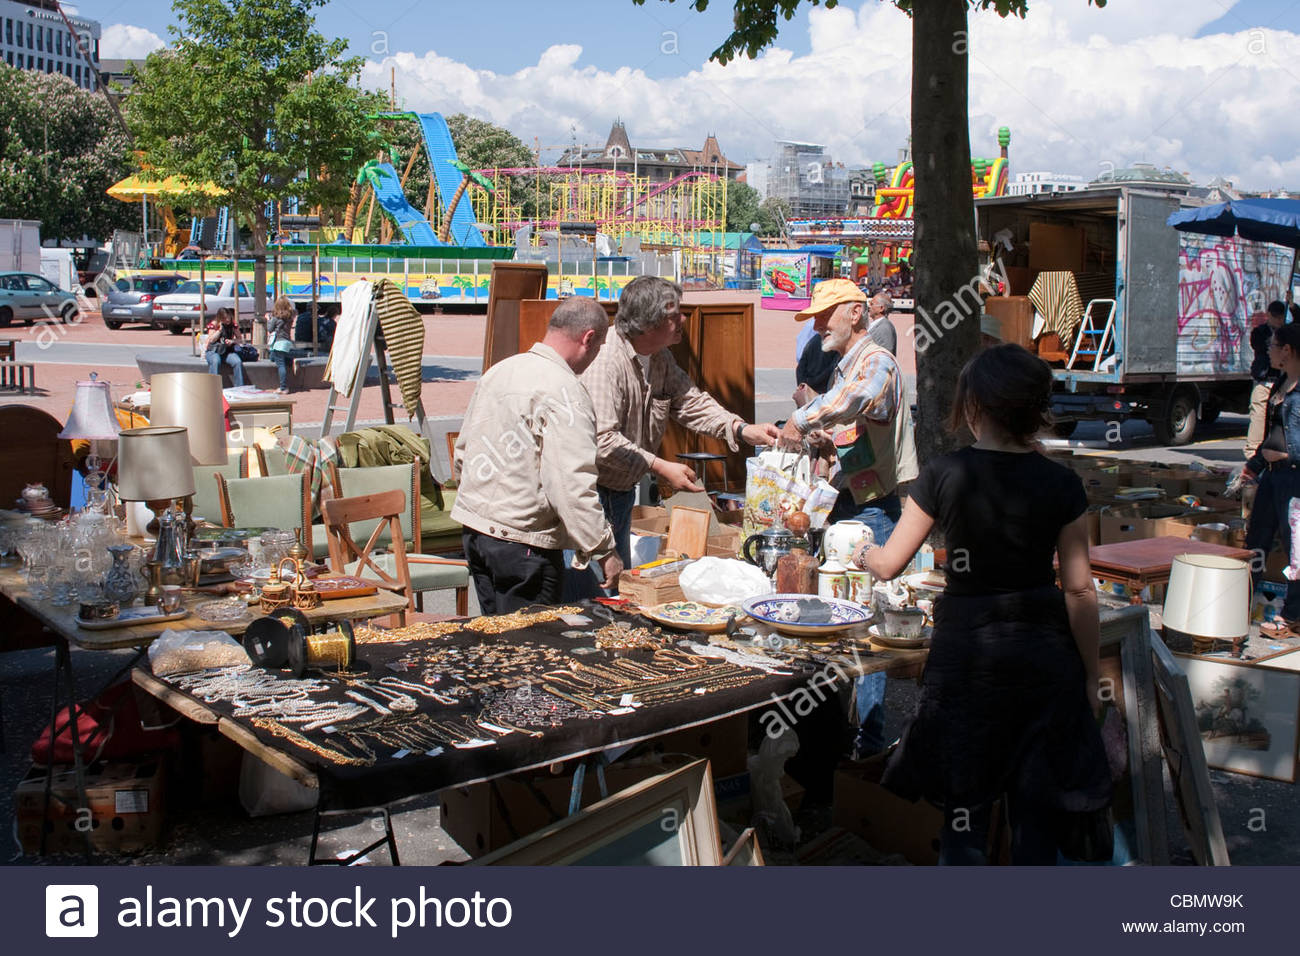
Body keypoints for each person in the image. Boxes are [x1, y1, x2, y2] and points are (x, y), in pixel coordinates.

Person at [852, 344, 1111, 864]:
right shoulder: (1061, 482)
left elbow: (888, 565)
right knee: (1036, 816)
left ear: (974, 407)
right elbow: (1080, 589)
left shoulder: (945, 473)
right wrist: (1091, 674)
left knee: (964, 814)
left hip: (968, 660)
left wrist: (861, 549)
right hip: (1044, 658)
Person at [778, 277, 918, 759]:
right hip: (852, 503)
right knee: (844, 617)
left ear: (855, 313)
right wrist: (817, 438)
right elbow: (850, 428)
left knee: (866, 629)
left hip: (873, 510)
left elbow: (857, 400)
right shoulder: (846, 365)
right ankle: (845, 737)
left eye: (825, 314)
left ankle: (868, 745)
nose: (817, 325)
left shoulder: (875, 361)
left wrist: (804, 419)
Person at [582, 276, 780, 566]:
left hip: (620, 492)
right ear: (649, 324)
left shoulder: (659, 357)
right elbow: (603, 440)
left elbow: (690, 400)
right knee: (600, 589)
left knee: (616, 581)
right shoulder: (607, 363)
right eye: (675, 316)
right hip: (593, 497)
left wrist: (741, 429)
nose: (684, 320)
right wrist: (660, 466)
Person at [452, 297, 622, 613]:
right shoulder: (566, 393)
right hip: (523, 543)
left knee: (497, 642)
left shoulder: (500, 371)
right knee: (529, 650)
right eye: (597, 349)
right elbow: (571, 487)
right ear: (588, 339)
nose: (594, 358)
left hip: (477, 532)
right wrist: (604, 549)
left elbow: (463, 454)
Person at [1253, 324, 1300, 637]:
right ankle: (1238, 603)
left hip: (1294, 481)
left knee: (1295, 549)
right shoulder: (1281, 382)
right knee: (1255, 544)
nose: (1267, 349)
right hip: (1271, 479)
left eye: (1273, 344)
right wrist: (1253, 464)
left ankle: (1293, 615)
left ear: (1288, 350)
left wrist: (1287, 457)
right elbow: (1273, 434)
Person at [1246, 301, 1288, 459]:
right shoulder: (1260, 332)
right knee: (1258, 415)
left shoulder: (1286, 332)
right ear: (1269, 315)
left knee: (1279, 418)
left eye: (1281, 317)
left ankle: (1275, 450)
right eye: (1276, 317)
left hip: (1280, 381)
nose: (1278, 320)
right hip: (1264, 379)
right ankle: (1252, 452)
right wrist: (1277, 337)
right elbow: (1262, 347)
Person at [204, 308, 245, 386]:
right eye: (225, 318)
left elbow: (240, 339)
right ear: (220, 318)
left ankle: (239, 386)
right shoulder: (214, 325)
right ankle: (213, 386)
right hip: (213, 351)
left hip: (226, 351)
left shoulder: (233, 325)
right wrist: (219, 331)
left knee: (237, 361)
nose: (227, 320)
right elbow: (211, 340)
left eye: (228, 317)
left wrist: (232, 341)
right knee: (216, 361)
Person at [267, 295, 295, 394]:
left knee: (280, 365)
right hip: (287, 341)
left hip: (278, 342)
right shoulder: (290, 317)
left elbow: (270, 329)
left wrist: (268, 319)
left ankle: (283, 387)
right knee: (273, 357)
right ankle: (291, 361)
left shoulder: (276, 318)